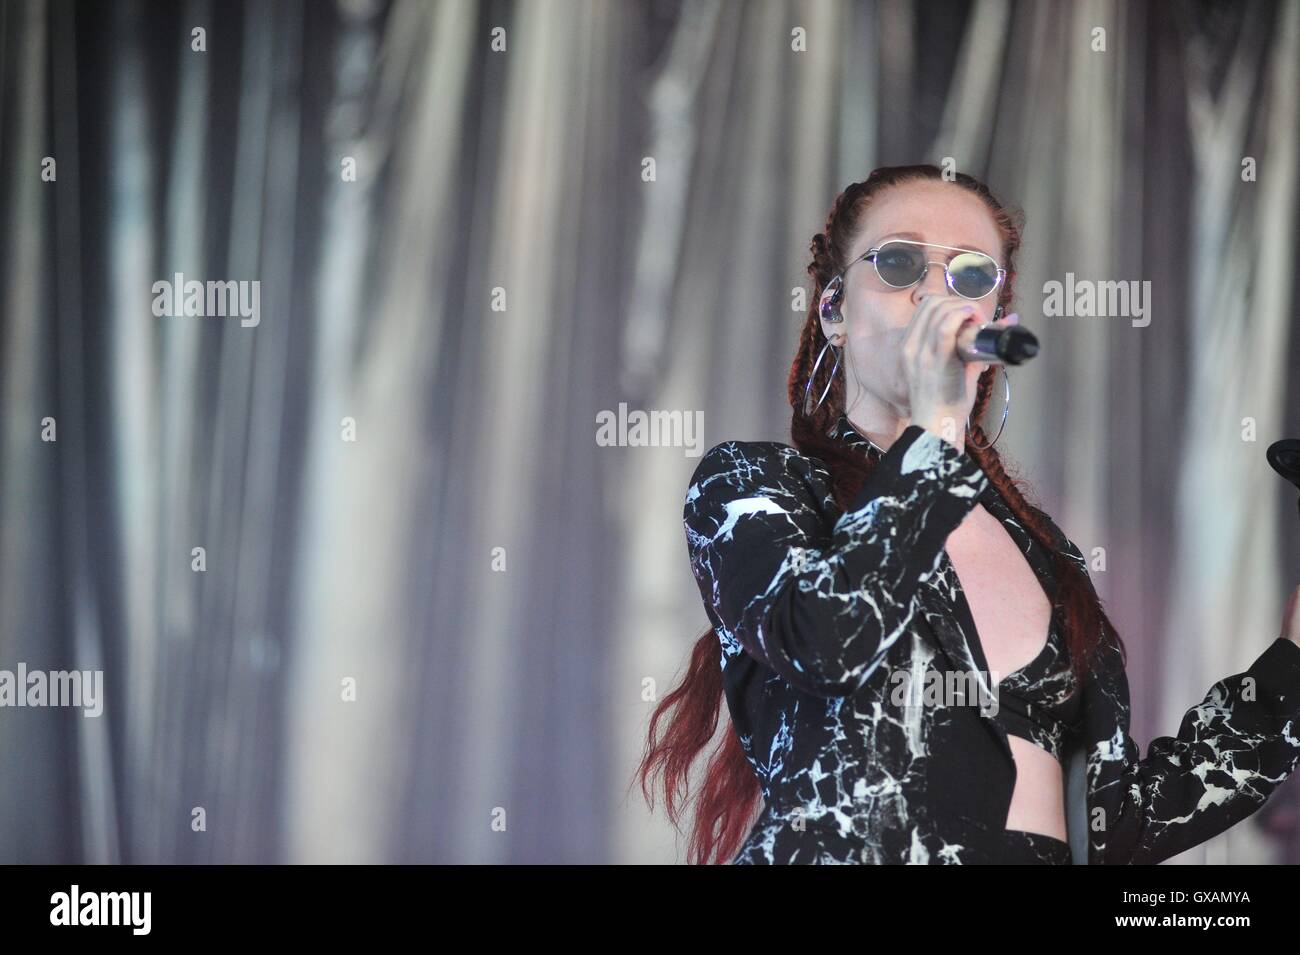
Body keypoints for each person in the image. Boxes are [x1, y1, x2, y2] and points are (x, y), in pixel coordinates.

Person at [637, 163, 1300, 864]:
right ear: (834, 311)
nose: (935, 293)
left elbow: (1117, 823)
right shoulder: (753, 484)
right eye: (898, 263)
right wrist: (937, 429)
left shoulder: (1046, 555)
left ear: (993, 322)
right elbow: (827, 639)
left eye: (970, 275)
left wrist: (1292, 664)